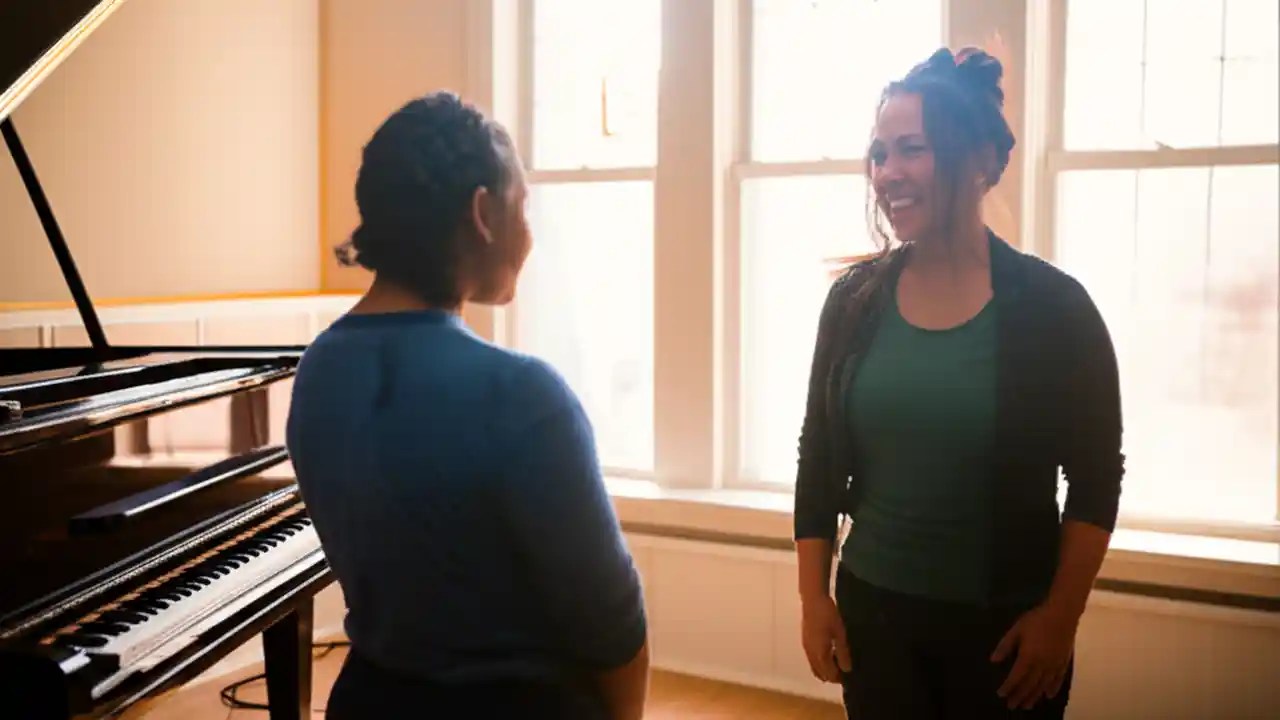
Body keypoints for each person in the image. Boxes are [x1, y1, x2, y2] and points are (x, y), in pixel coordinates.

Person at [285, 92, 650, 719]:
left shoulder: (317, 370)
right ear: (483, 213)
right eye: (523, 207)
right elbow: (614, 630)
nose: (528, 236)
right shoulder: (523, 395)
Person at [793, 48, 1123, 719]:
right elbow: (818, 455)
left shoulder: (1055, 309)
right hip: (874, 622)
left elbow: (1095, 479)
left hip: (1004, 636)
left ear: (981, 161)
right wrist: (814, 599)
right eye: (880, 153)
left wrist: (1060, 618)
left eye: (911, 149)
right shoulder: (854, 304)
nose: (888, 173)